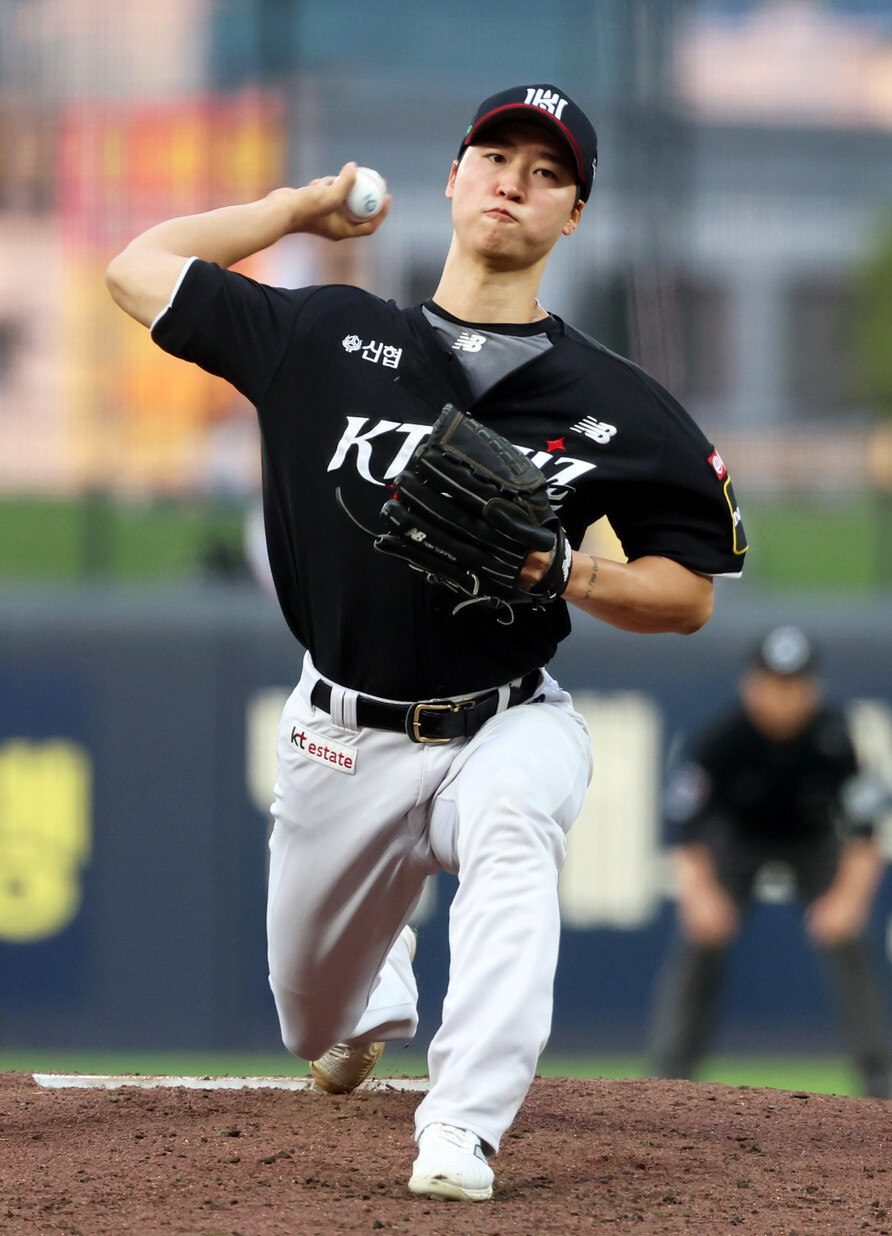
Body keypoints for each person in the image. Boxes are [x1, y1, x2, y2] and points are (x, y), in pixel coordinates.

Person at [106, 83, 747, 1201]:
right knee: (314, 1021)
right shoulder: (324, 336)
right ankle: (368, 997)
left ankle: (464, 1128)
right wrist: (292, 210)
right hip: (340, 738)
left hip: (507, 717)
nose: (515, 180)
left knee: (513, 823)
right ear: (453, 180)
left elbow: (688, 593)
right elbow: (134, 267)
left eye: (547, 172)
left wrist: (575, 571)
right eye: (495, 156)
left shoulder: (620, 404)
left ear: (573, 214)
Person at [648, 625, 892, 1099]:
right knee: (701, 939)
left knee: (850, 940)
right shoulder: (725, 737)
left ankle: (880, 1083)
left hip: (813, 844)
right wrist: (702, 895)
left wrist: (846, 900)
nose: (783, 697)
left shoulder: (833, 737)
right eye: (773, 683)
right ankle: (669, 1082)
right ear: (750, 684)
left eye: (794, 684)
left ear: (812, 687)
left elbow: (866, 831)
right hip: (737, 845)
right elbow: (686, 827)